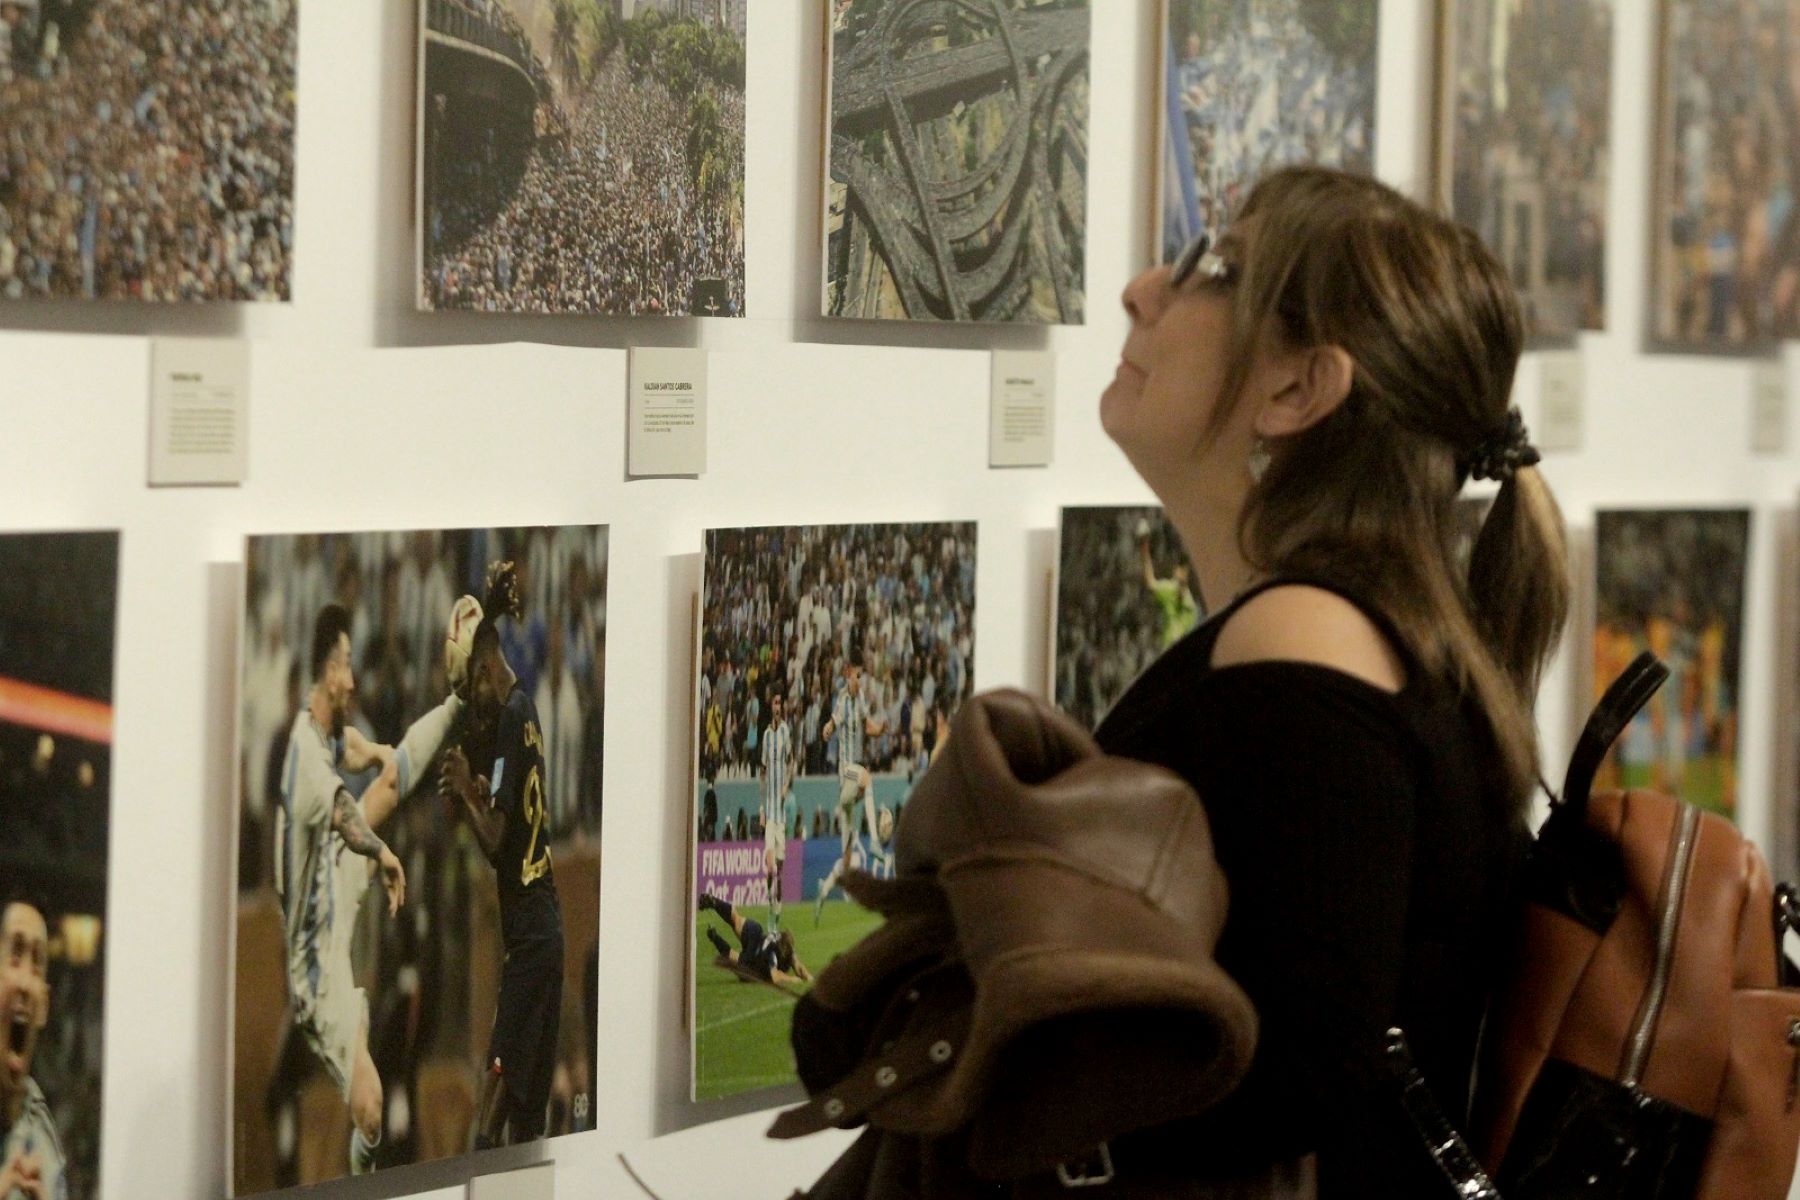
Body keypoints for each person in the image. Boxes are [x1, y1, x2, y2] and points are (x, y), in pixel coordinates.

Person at [1092, 165, 1568, 1193]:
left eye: (1206, 272)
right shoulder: (1357, 634)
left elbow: (1293, 1083)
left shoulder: (1306, 644)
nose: (1141, 289)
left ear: (1300, 389)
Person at [276, 603, 461, 1177]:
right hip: (317, 966)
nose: (354, 679)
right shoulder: (304, 754)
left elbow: (358, 753)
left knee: (390, 778)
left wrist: (384, 754)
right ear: (328, 672)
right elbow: (342, 814)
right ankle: (364, 1181)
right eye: (347, 665)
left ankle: (456, 701)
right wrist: (383, 853)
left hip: (335, 877)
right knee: (372, 1108)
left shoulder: (325, 735)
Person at [438, 562, 565, 1150]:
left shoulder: (512, 717)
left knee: (489, 1108)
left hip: (531, 942)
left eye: (472, 689)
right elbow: (508, 834)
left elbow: (493, 841)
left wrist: (466, 792)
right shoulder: (526, 711)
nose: (475, 706)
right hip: (545, 931)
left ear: (487, 669)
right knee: (526, 1118)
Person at [1, 896, 63, 1200]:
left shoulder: (44, 1141)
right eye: (14, 957)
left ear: (45, 1008)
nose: (26, 984)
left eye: (37, 964)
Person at [815, 659, 886, 924]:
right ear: (848, 676)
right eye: (857, 676)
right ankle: (876, 842)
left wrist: (881, 729)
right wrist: (827, 729)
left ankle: (822, 893)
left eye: (861, 676)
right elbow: (833, 722)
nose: (859, 680)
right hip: (846, 771)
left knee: (846, 859)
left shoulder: (861, 703)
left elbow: (868, 727)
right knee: (867, 779)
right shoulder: (843, 701)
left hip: (847, 794)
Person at [696, 893, 812, 990]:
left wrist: (809, 978)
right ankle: (714, 936)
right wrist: (792, 979)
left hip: (756, 934)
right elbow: (775, 977)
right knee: (737, 961)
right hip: (753, 958)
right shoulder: (773, 954)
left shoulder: (785, 947)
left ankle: (714, 902)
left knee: (736, 920)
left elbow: (798, 966)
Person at [760, 691, 795, 928]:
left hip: (781, 815)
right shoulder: (765, 736)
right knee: (771, 866)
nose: (777, 706)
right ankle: (770, 917)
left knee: (779, 869)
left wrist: (786, 784)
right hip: (770, 814)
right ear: (770, 705)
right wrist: (762, 807)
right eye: (774, 702)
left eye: (780, 702)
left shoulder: (785, 732)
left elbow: (791, 762)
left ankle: (776, 915)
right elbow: (762, 774)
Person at [1138, 519, 1201, 648]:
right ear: (1175, 571)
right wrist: (1145, 552)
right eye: (1180, 570)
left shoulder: (1192, 607)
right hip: (1171, 647)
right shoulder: (1169, 589)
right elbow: (1150, 581)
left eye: (1184, 571)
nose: (1182, 573)